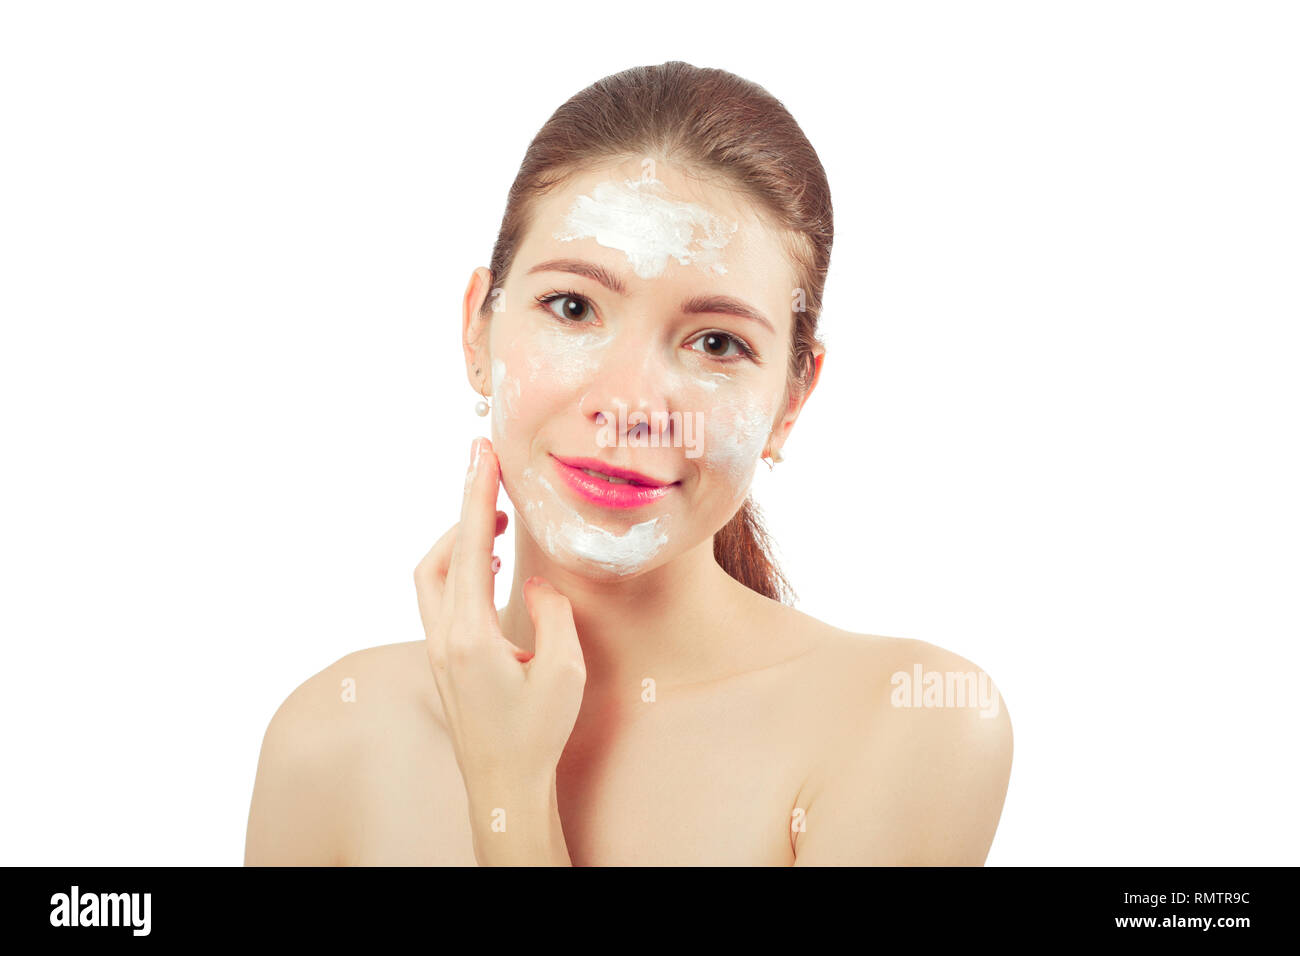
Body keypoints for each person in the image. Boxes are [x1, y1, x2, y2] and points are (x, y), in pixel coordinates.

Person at [244, 61, 1012, 866]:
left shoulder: (909, 722)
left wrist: (509, 788)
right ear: (478, 330)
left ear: (790, 402)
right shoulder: (327, 741)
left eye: (717, 343)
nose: (633, 407)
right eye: (573, 307)